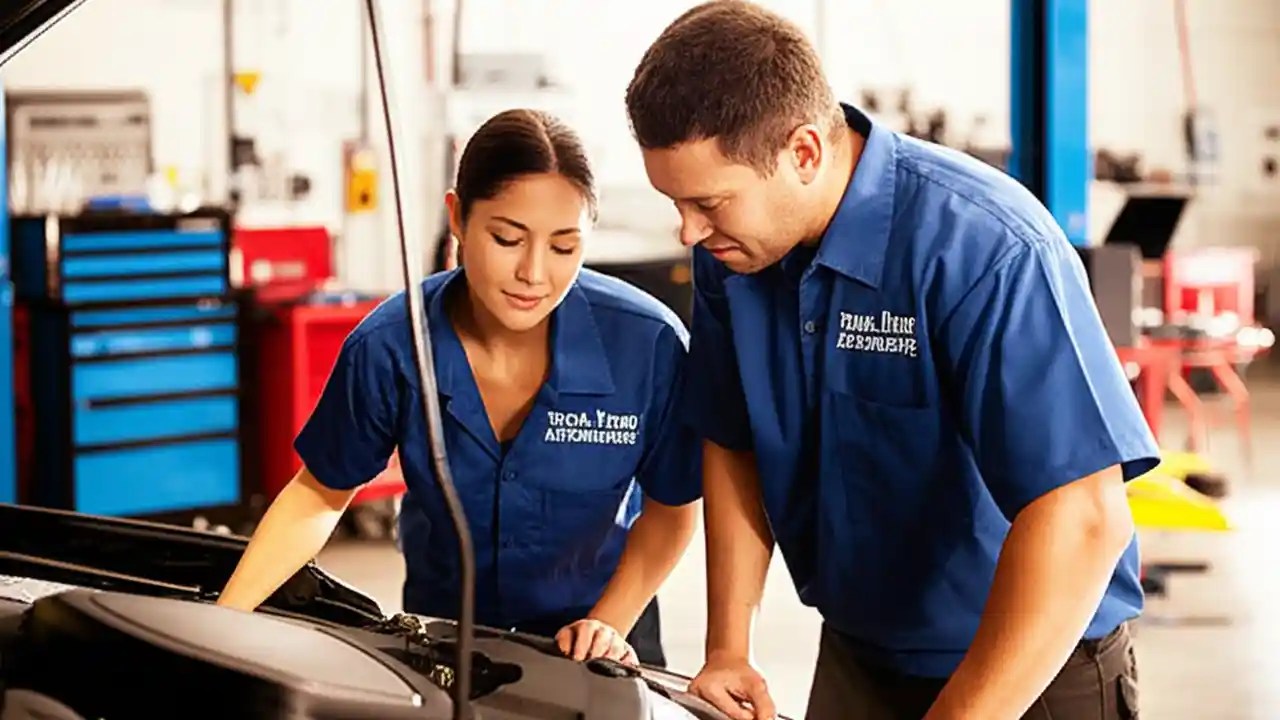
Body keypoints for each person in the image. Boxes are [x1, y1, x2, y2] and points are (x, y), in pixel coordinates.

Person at [623, 2, 1158, 719]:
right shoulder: (732, 253)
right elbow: (733, 436)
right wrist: (729, 646)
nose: (688, 229)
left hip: (1033, 668)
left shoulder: (985, 249)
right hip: (860, 656)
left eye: (710, 202)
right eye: (677, 202)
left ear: (804, 152)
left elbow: (1085, 517)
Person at [217, 108, 701, 668]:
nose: (534, 273)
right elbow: (319, 493)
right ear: (457, 219)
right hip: (448, 642)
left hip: (604, 642)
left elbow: (672, 508)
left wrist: (608, 624)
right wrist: (222, 623)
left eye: (564, 246)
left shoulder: (647, 344)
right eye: (507, 238)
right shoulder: (393, 346)